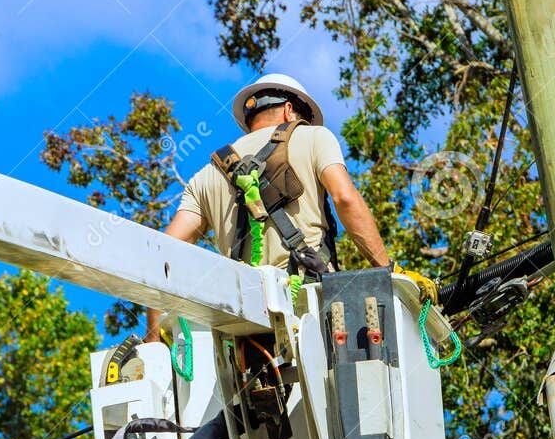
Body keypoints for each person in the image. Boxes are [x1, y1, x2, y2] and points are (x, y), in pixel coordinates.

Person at [145, 73, 404, 342]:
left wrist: (153, 344)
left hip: (244, 327)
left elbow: (165, 252)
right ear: (289, 111)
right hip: (310, 309)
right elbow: (345, 199)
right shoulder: (314, 137)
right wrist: (388, 273)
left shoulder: (206, 176)